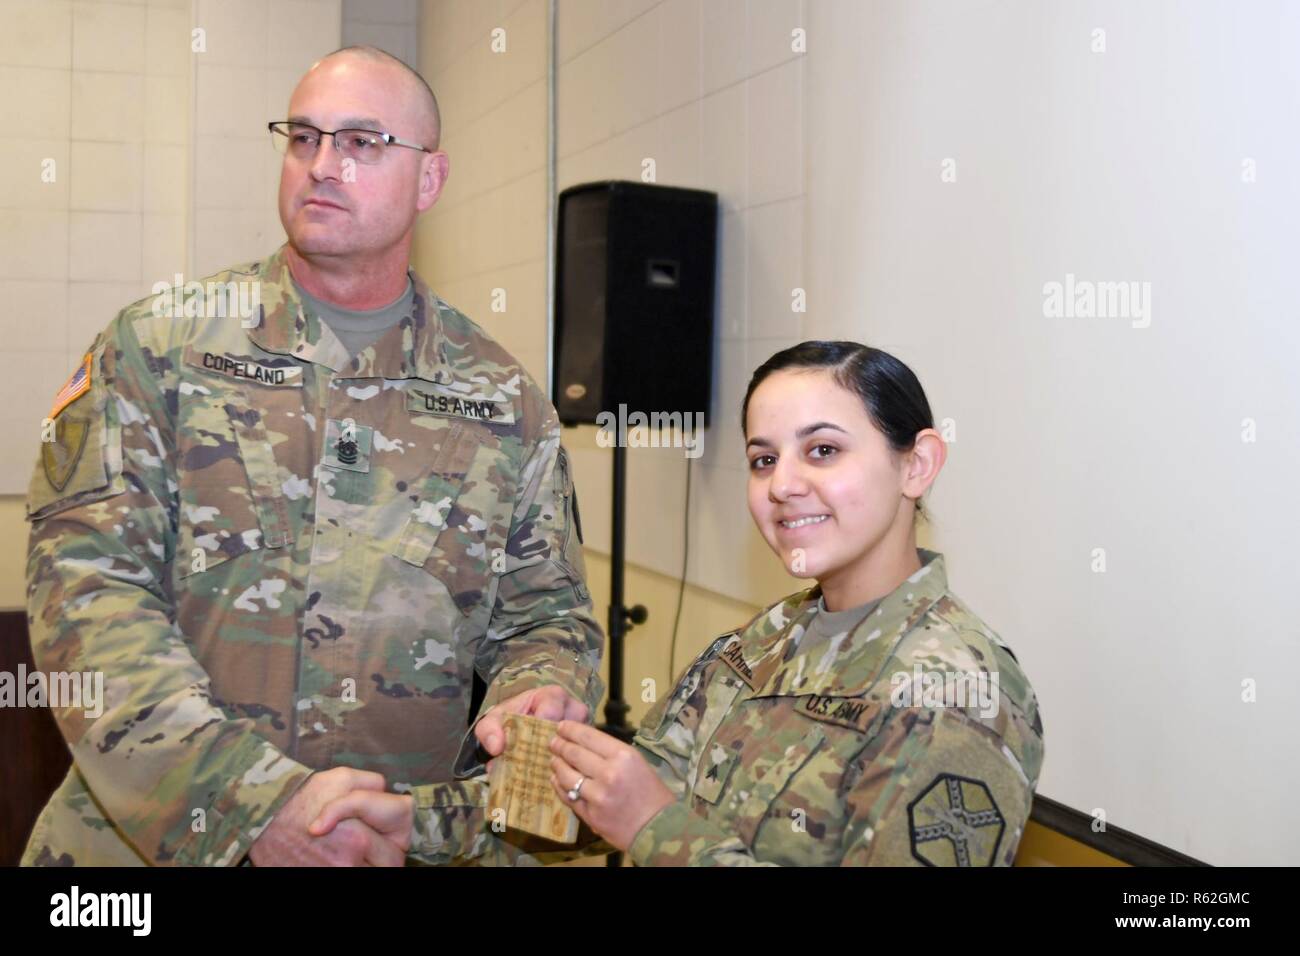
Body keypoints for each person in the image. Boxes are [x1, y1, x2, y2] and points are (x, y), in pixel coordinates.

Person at [21, 45, 602, 867]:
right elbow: (87, 591)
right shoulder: (160, 348)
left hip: (396, 846)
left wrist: (540, 694)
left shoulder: (500, 399)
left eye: (363, 142)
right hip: (154, 846)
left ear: (429, 180)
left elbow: (548, 619)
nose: (323, 165)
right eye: (303, 138)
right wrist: (249, 806)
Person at [313, 340, 1045, 866]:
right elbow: (607, 797)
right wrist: (412, 822)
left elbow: (641, 811)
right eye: (764, 459)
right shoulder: (765, 642)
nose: (784, 484)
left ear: (916, 463)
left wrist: (657, 828)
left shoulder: (954, 690)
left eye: (822, 451)